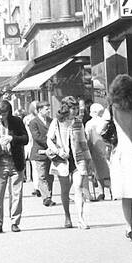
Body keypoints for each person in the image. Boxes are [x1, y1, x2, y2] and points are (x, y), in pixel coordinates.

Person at [0, 97, 29, 233]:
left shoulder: (17, 122)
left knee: (16, 193)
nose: (1, 116)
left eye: (4, 113)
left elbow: (25, 139)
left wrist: (12, 138)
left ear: (9, 112)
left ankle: (15, 222)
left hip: (15, 161)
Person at [45, 98, 92, 229]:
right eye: (73, 108)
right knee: (65, 190)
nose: (75, 110)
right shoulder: (57, 122)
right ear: (66, 108)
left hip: (78, 159)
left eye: (76, 108)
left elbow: (83, 142)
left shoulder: (78, 122)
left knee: (78, 188)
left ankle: (81, 219)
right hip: (62, 160)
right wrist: (59, 151)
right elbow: (49, 140)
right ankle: (67, 216)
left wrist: (89, 159)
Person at [104, 75, 132, 241]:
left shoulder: (113, 108)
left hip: (122, 153)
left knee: (127, 194)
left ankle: (129, 226)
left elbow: (104, 129)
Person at [24, 99, 52, 204]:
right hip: (39, 151)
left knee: (50, 176)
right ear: (40, 110)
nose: (48, 110)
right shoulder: (33, 122)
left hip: (51, 152)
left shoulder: (51, 121)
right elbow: (37, 137)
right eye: (46, 109)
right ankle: (46, 197)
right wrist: (49, 144)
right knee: (42, 175)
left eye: (49, 108)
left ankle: (49, 195)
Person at [85, 101, 113, 201]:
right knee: (108, 169)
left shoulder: (89, 123)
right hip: (106, 147)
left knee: (98, 171)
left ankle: (101, 192)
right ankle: (112, 191)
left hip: (95, 148)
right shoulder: (105, 122)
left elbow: (87, 137)